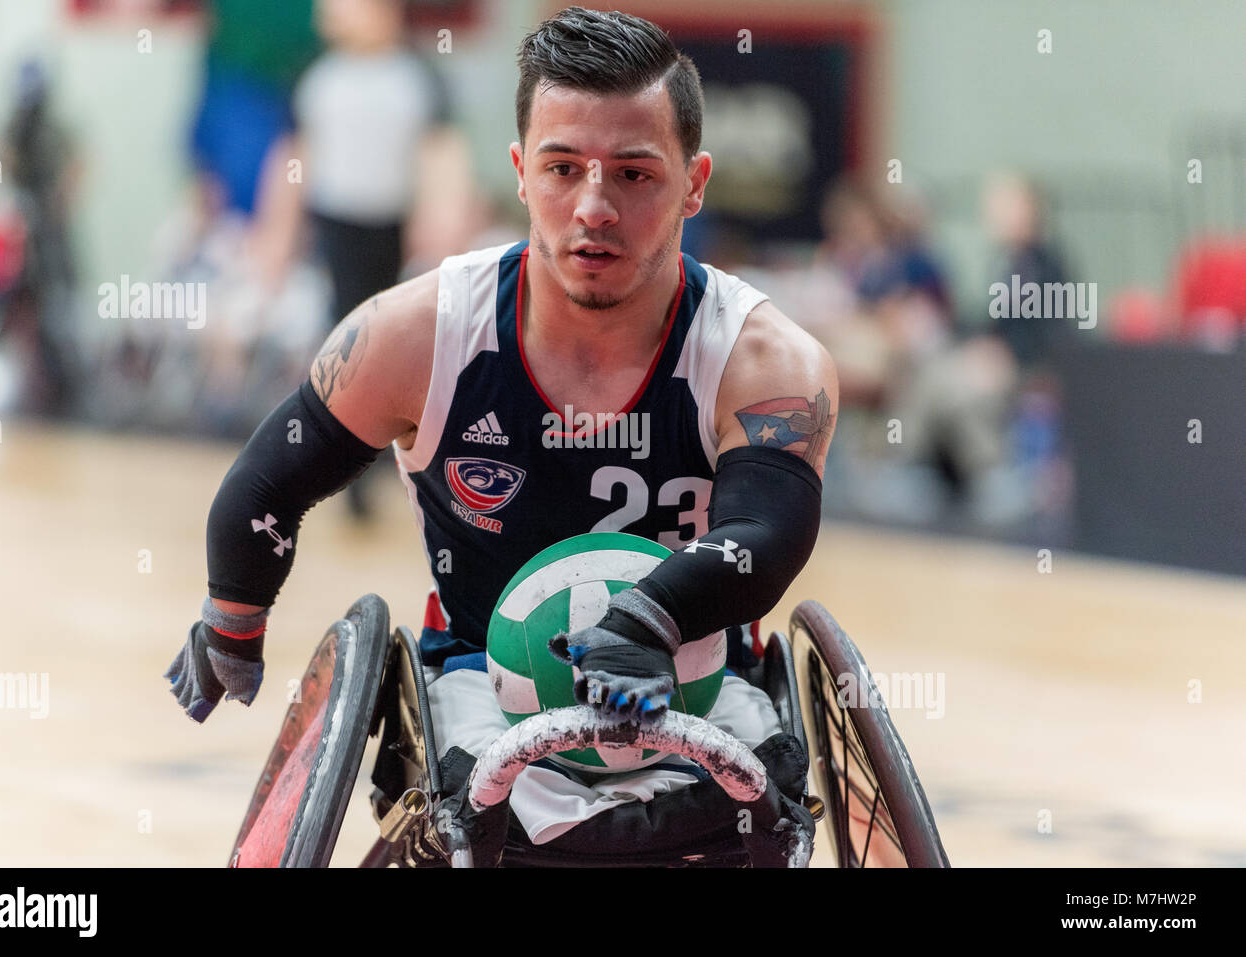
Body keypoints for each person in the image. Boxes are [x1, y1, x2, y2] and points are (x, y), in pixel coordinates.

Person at [166, 6, 836, 852]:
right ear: (521, 172)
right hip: (482, 676)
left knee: (757, 814)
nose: (593, 206)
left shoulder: (763, 354)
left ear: (694, 182)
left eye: (634, 175)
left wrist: (649, 620)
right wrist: (233, 616)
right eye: (564, 168)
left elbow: (768, 529)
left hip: (694, 679)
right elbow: (263, 490)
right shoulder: (415, 333)